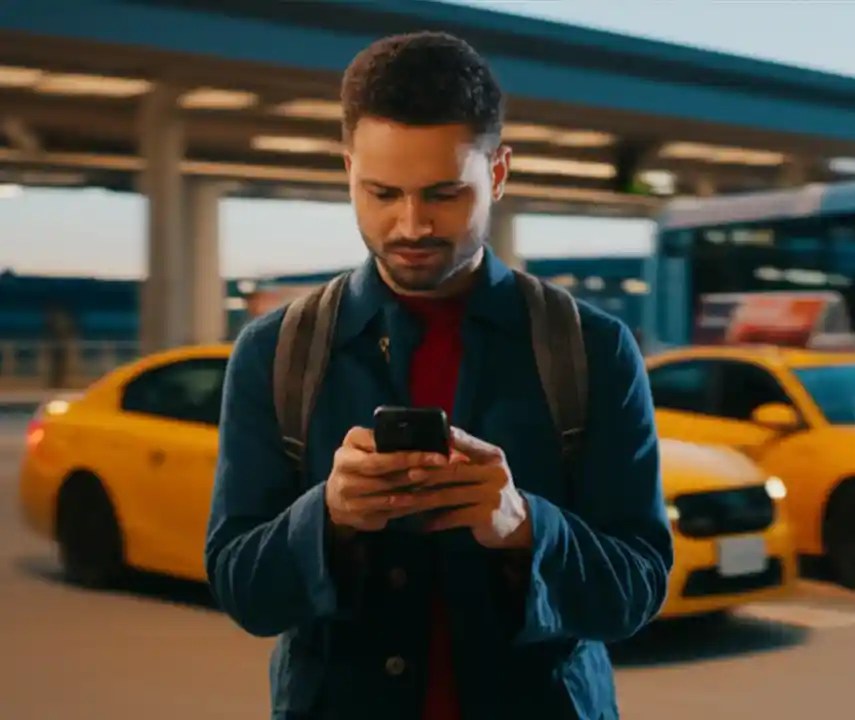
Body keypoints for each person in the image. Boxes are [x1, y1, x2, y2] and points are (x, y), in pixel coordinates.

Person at [205, 30, 673, 720]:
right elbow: (242, 590)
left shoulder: (592, 349)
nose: (411, 223)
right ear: (348, 173)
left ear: (500, 172)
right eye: (382, 193)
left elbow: (637, 588)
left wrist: (525, 527)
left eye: (445, 194)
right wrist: (327, 519)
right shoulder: (277, 352)